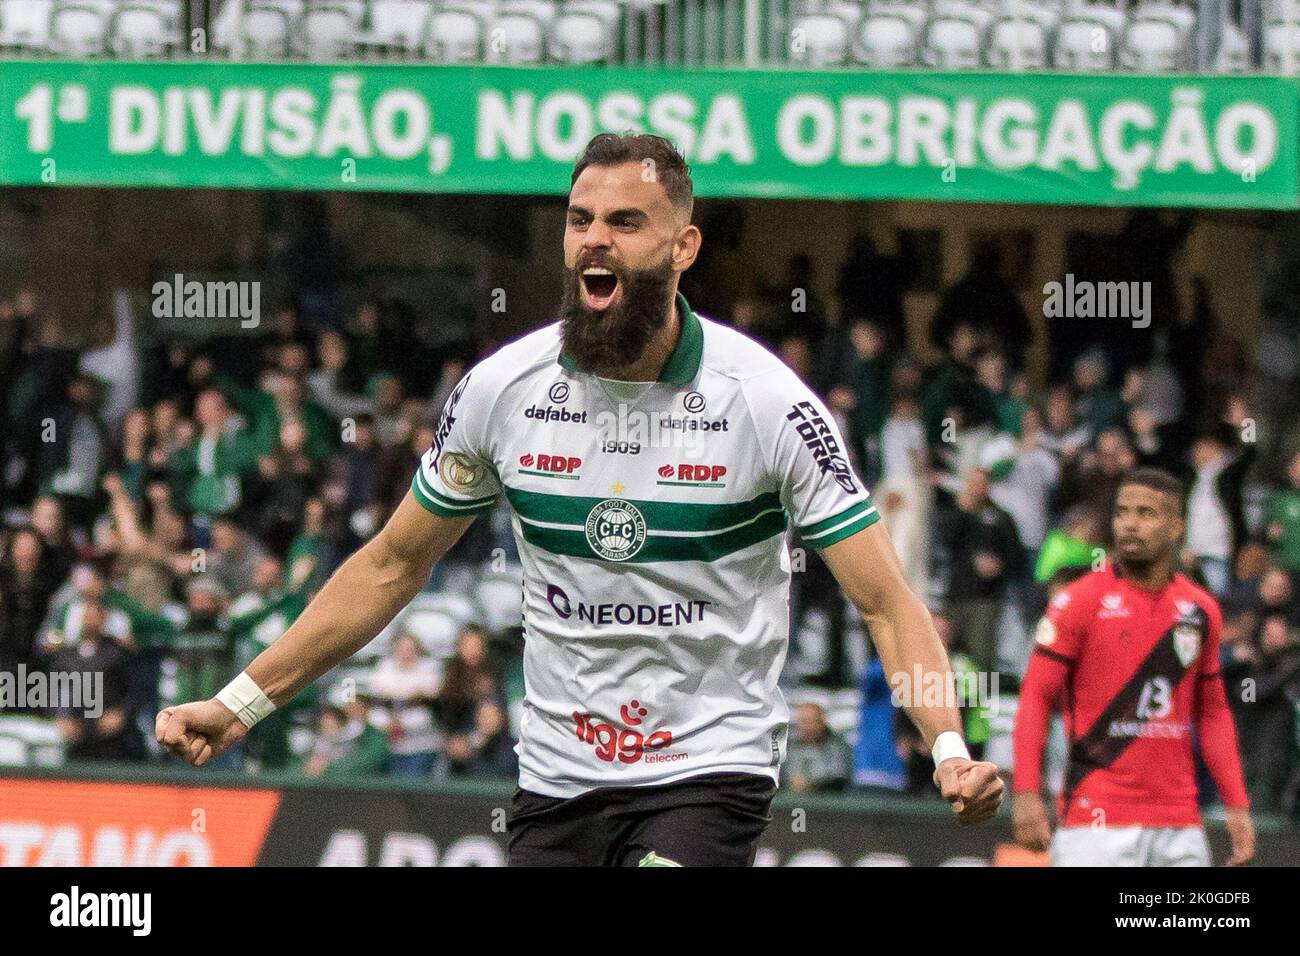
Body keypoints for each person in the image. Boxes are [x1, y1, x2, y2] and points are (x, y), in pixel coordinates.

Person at [156, 132, 1002, 867]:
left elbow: (887, 602)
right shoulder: (501, 391)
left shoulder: (765, 402)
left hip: (706, 769)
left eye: (625, 223)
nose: (595, 240)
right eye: (579, 220)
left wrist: (950, 747)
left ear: (684, 248)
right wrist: (240, 703)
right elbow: (390, 564)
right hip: (558, 777)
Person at [1012, 467, 1255, 866]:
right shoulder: (1077, 602)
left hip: (1179, 821)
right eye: (1123, 512)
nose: (1129, 524)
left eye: (1146, 513)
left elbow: (1212, 711)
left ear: (1176, 526)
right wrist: (1025, 792)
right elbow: (1036, 697)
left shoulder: (1200, 610)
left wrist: (1237, 803)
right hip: (1095, 818)